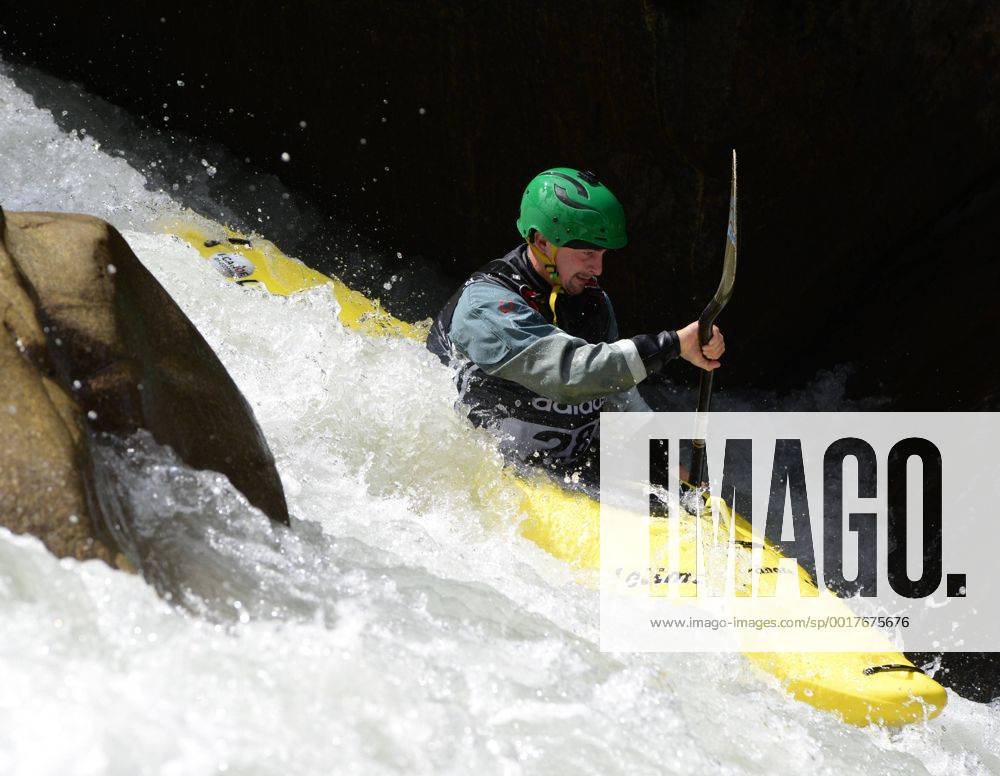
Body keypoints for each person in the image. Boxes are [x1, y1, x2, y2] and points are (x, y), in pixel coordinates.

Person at [427, 167, 725, 484]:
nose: (597, 268)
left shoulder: (592, 302)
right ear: (542, 242)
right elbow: (568, 374)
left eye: (602, 254)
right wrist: (674, 344)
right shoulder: (485, 306)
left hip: (565, 469)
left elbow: (617, 392)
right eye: (587, 253)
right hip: (490, 469)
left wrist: (664, 463)